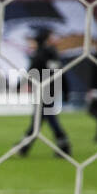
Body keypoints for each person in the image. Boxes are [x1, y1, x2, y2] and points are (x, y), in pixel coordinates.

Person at [16, 29, 72, 158]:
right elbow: (59, 72)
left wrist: (20, 85)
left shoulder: (43, 53)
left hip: (44, 90)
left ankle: (25, 147)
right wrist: (66, 90)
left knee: (45, 119)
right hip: (48, 89)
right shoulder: (49, 53)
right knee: (40, 119)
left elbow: (32, 71)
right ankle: (25, 147)